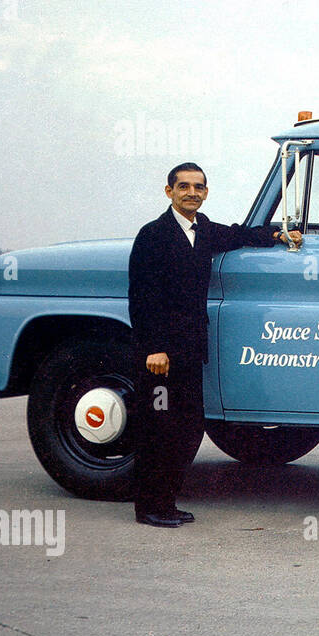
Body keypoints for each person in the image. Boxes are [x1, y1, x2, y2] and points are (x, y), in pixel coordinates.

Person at [128, 162, 300, 527]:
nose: (192, 193)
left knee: (187, 427)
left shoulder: (202, 230)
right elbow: (142, 298)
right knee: (158, 426)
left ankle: (167, 501)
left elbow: (237, 235)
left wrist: (277, 237)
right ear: (169, 191)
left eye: (199, 187)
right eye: (184, 186)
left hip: (191, 349)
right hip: (162, 354)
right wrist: (153, 349)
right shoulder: (152, 235)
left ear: (206, 192)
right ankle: (149, 507)